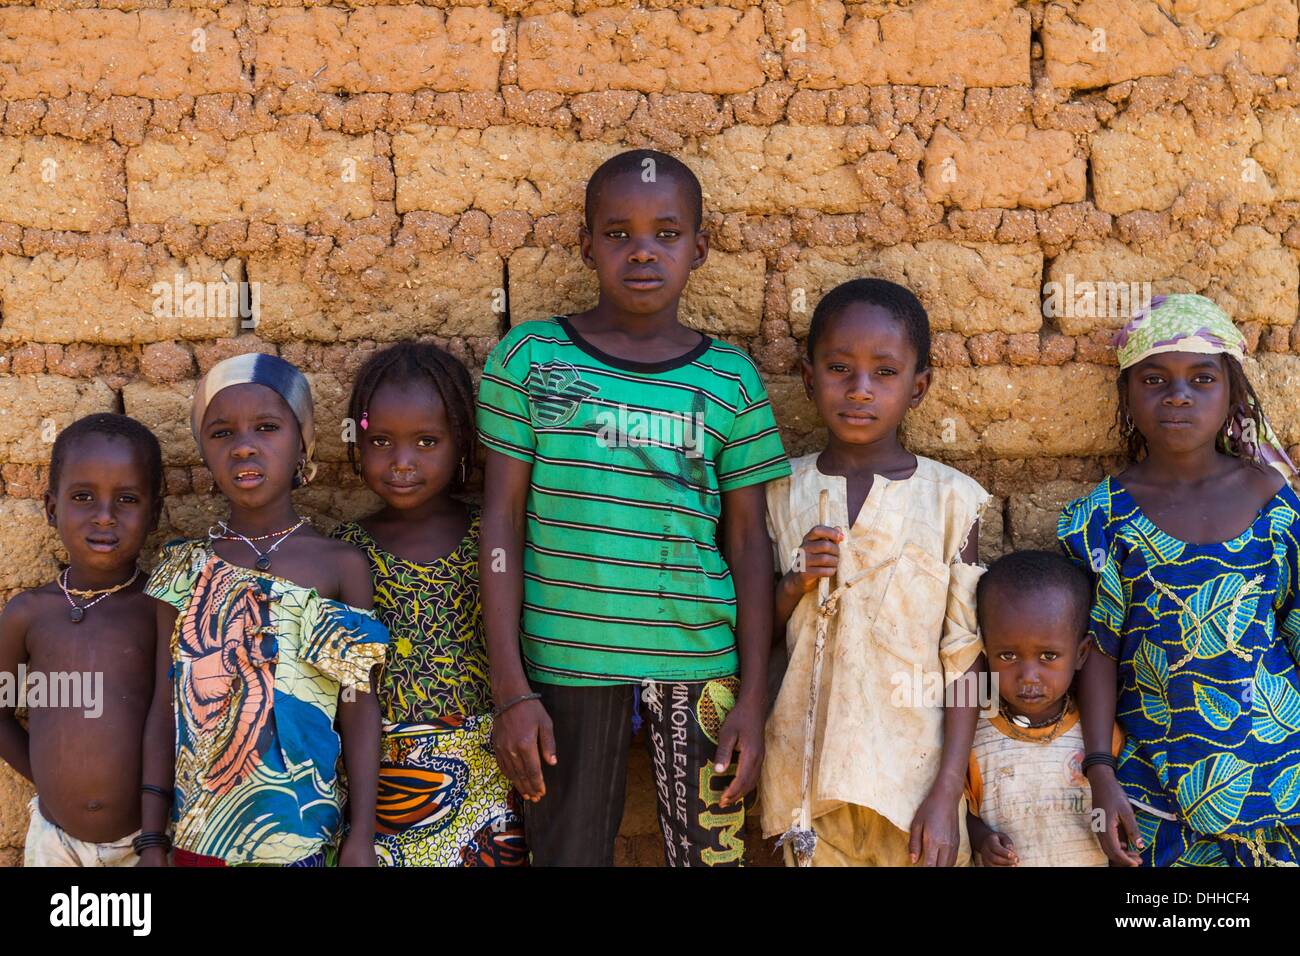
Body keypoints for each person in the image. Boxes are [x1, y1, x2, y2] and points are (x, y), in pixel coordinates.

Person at [477, 149, 792, 866]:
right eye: (618, 234)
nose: (642, 251)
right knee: (568, 856)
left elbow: (748, 546)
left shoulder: (730, 383)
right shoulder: (531, 360)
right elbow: (499, 523)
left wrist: (749, 696)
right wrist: (509, 689)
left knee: (709, 860)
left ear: (700, 248)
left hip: (700, 660)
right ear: (587, 246)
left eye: (667, 233)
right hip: (565, 663)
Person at [1060, 293, 1300, 866]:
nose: (1178, 395)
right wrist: (1100, 768)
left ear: (1232, 394)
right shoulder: (1104, 517)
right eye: (1154, 379)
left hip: (1282, 779)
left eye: (1202, 378)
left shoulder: (1273, 500)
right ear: (1126, 394)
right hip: (1158, 790)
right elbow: (1097, 649)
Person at [762, 277, 988, 867]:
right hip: (809, 787)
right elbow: (749, 633)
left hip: (914, 792)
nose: (860, 390)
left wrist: (947, 793)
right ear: (809, 379)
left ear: (919, 388)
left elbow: (965, 661)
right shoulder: (781, 493)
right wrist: (794, 583)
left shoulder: (952, 502)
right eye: (840, 368)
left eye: (884, 373)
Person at [139, 353, 388, 866]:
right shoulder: (184, 569)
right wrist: (150, 838)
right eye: (222, 433)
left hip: (307, 839)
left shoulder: (339, 566)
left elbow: (357, 705)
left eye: (268, 428)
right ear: (204, 453)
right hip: (201, 839)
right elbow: (165, 707)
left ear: (303, 442)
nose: (244, 446)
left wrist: (363, 832)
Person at [334, 342, 526, 866]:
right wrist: (360, 827)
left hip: (488, 774)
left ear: (461, 441)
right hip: (385, 782)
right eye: (381, 442)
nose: (402, 463)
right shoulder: (346, 550)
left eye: (426, 441)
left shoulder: (491, 536)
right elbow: (353, 693)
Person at [0, 414, 162, 866]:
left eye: (127, 499)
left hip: (146, 842)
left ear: (154, 514)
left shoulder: (157, 610)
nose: (105, 516)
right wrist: (52, 783)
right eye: (83, 497)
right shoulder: (29, 615)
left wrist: (154, 836)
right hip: (55, 840)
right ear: (52, 509)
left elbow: (176, 721)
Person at [966, 549, 1120, 867]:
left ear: (1081, 654)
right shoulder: (974, 741)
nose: (1028, 677)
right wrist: (983, 841)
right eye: (1007, 656)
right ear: (985, 653)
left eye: (1048, 656)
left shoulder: (1100, 738)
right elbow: (963, 816)